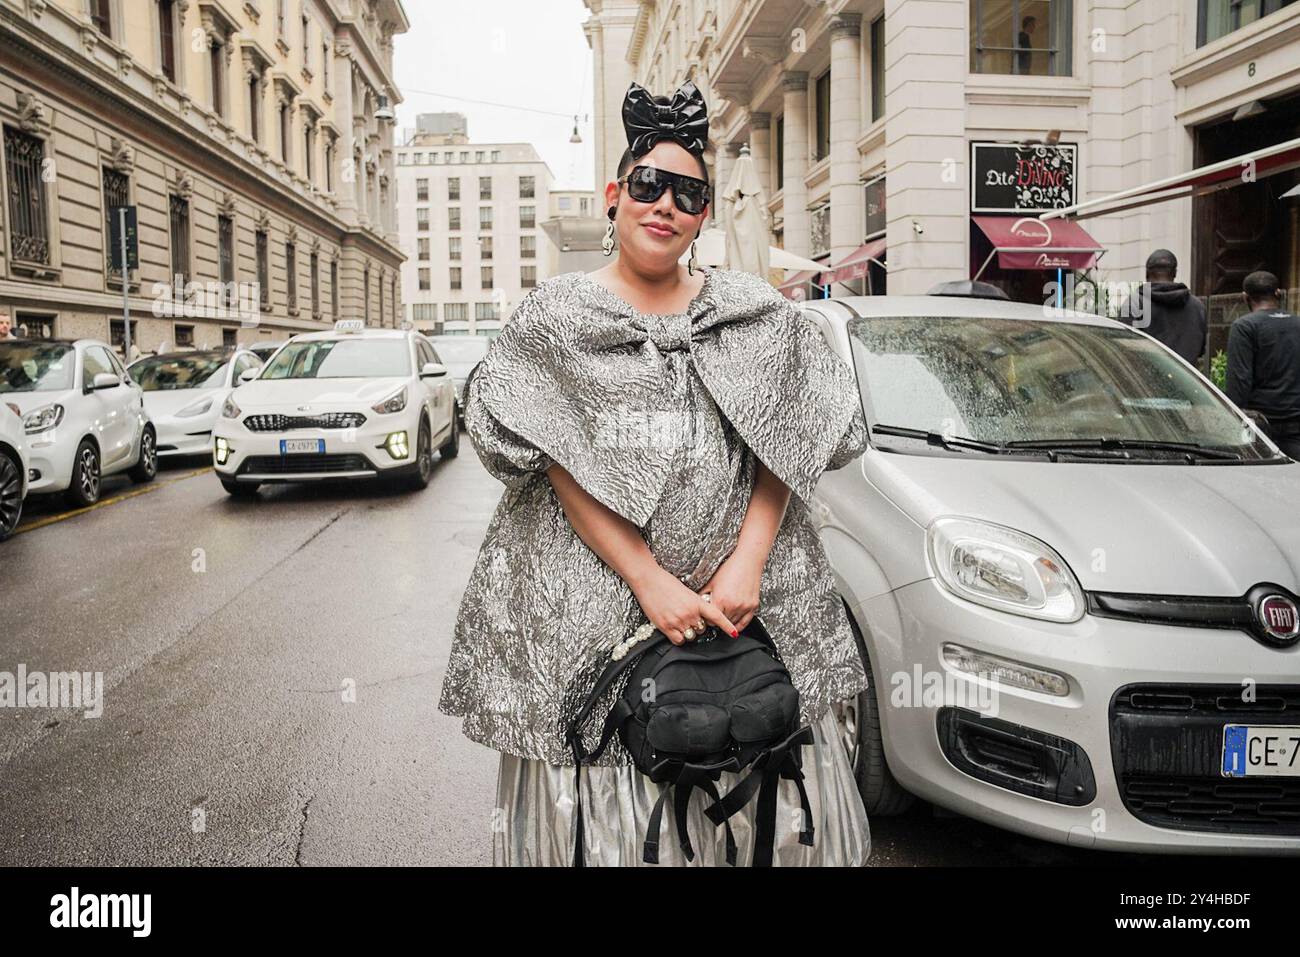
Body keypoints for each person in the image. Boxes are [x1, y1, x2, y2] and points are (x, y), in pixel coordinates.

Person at [437, 79, 873, 866]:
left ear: (705, 214)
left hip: (746, 608)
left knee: (751, 771)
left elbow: (793, 433)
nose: (665, 204)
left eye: (689, 193)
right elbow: (552, 460)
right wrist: (649, 579)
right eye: (648, 185)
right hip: (602, 611)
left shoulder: (753, 309)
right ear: (614, 196)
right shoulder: (559, 318)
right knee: (619, 794)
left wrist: (747, 563)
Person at [1226, 270, 1300, 458]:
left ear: (1245, 297)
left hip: (1260, 424)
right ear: (1279, 293)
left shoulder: (1244, 327)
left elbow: (1239, 380)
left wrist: (1231, 419)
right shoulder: (1297, 324)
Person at [1127, 249, 1207, 365]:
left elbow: (1124, 350)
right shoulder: (1197, 306)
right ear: (1175, 273)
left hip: (1145, 380)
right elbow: (1201, 350)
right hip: (1185, 380)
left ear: (1147, 274)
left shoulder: (1134, 304)